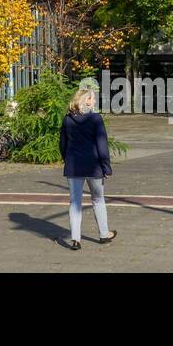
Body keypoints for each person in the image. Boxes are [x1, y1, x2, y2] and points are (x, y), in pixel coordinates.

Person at [58, 87, 116, 250]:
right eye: (93, 98)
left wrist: (67, 158)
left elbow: (62, 143)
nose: (95, 101)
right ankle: (104, 235)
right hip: (93, 166)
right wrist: (106, 166)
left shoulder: (67, 119)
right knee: (98, 199)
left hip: (73, 165)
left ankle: (76, 239)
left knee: (75, 202)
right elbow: (102, 144)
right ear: (86, 101)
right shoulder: (96, 119)